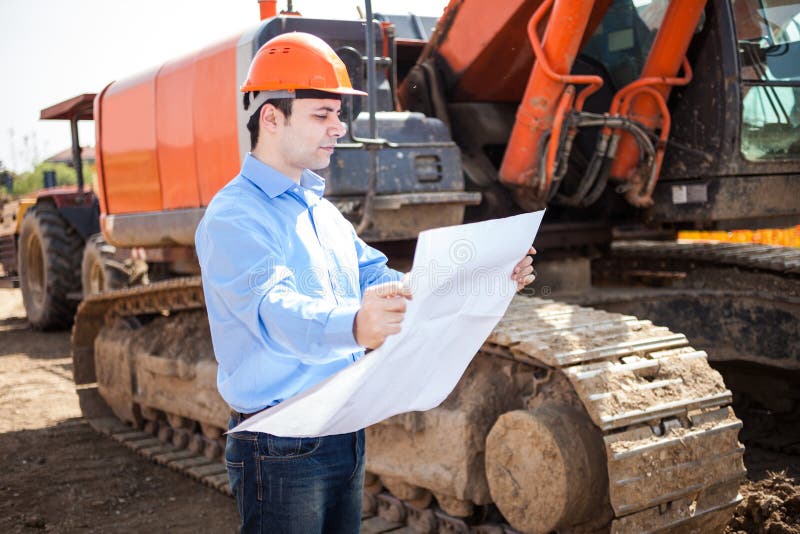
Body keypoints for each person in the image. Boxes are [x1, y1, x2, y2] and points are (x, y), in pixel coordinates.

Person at [195, 32, 536, 534]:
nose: (338, 129)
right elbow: (274, 309)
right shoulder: (235, 216)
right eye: (321, 115)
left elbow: (379, 277)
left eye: (339, 115)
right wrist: (355, 324)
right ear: (271, 117)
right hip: (279, 442)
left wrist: (482, 278)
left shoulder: (322, 212)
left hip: (341, 427)